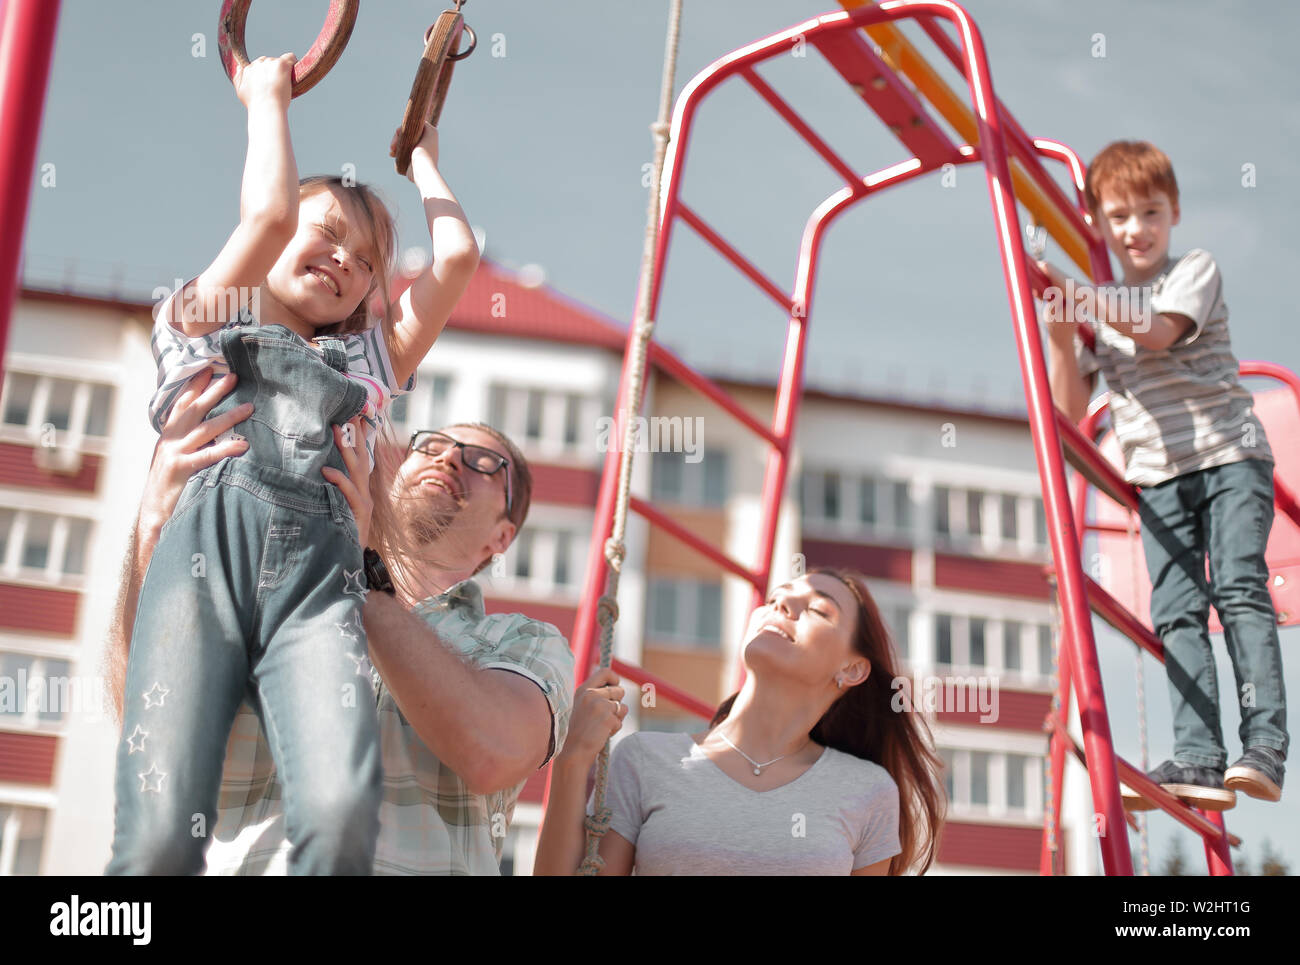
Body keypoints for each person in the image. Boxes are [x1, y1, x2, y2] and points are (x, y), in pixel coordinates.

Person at [106, 50, 481, 874]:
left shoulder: (365, 367)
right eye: (330, 234)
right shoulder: (198, 321)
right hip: (204, 559)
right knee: (162, 828)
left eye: (366, 263)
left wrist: (423, 160)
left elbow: (455, 263)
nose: (345, 259)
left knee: (344, 816)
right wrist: (267, 95)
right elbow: (270, 217)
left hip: (317, 585)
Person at [109, 370, 575, 874]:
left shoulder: (522, 641)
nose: (449, 457)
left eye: (486, 463)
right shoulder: (269, 599)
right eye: (434, 445)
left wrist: (359, 572)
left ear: (502, 539)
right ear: (393, 480)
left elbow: (492, 750)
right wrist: (156, 526)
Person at [1036, 139, 1288, 809]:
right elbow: (1066, 410)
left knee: (1236, 585)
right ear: (1099, 224)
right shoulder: (1100, 308)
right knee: (1176, 610)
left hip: (1228, 455)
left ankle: (1263, 743)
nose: (1135, 230)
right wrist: (1061, 333)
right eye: (1119, 216)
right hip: (1158, 478)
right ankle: (1199, 758)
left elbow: (1156, 333)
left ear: (1173, 213)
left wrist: (1079, 294)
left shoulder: (1193, 271)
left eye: (1149, 213)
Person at [534, 568, 946, 875]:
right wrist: (570, 761)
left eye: (819, 609)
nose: (784, 604)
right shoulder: (644, 759)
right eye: (777, 597)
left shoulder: (868, 792)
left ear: (852, 670)